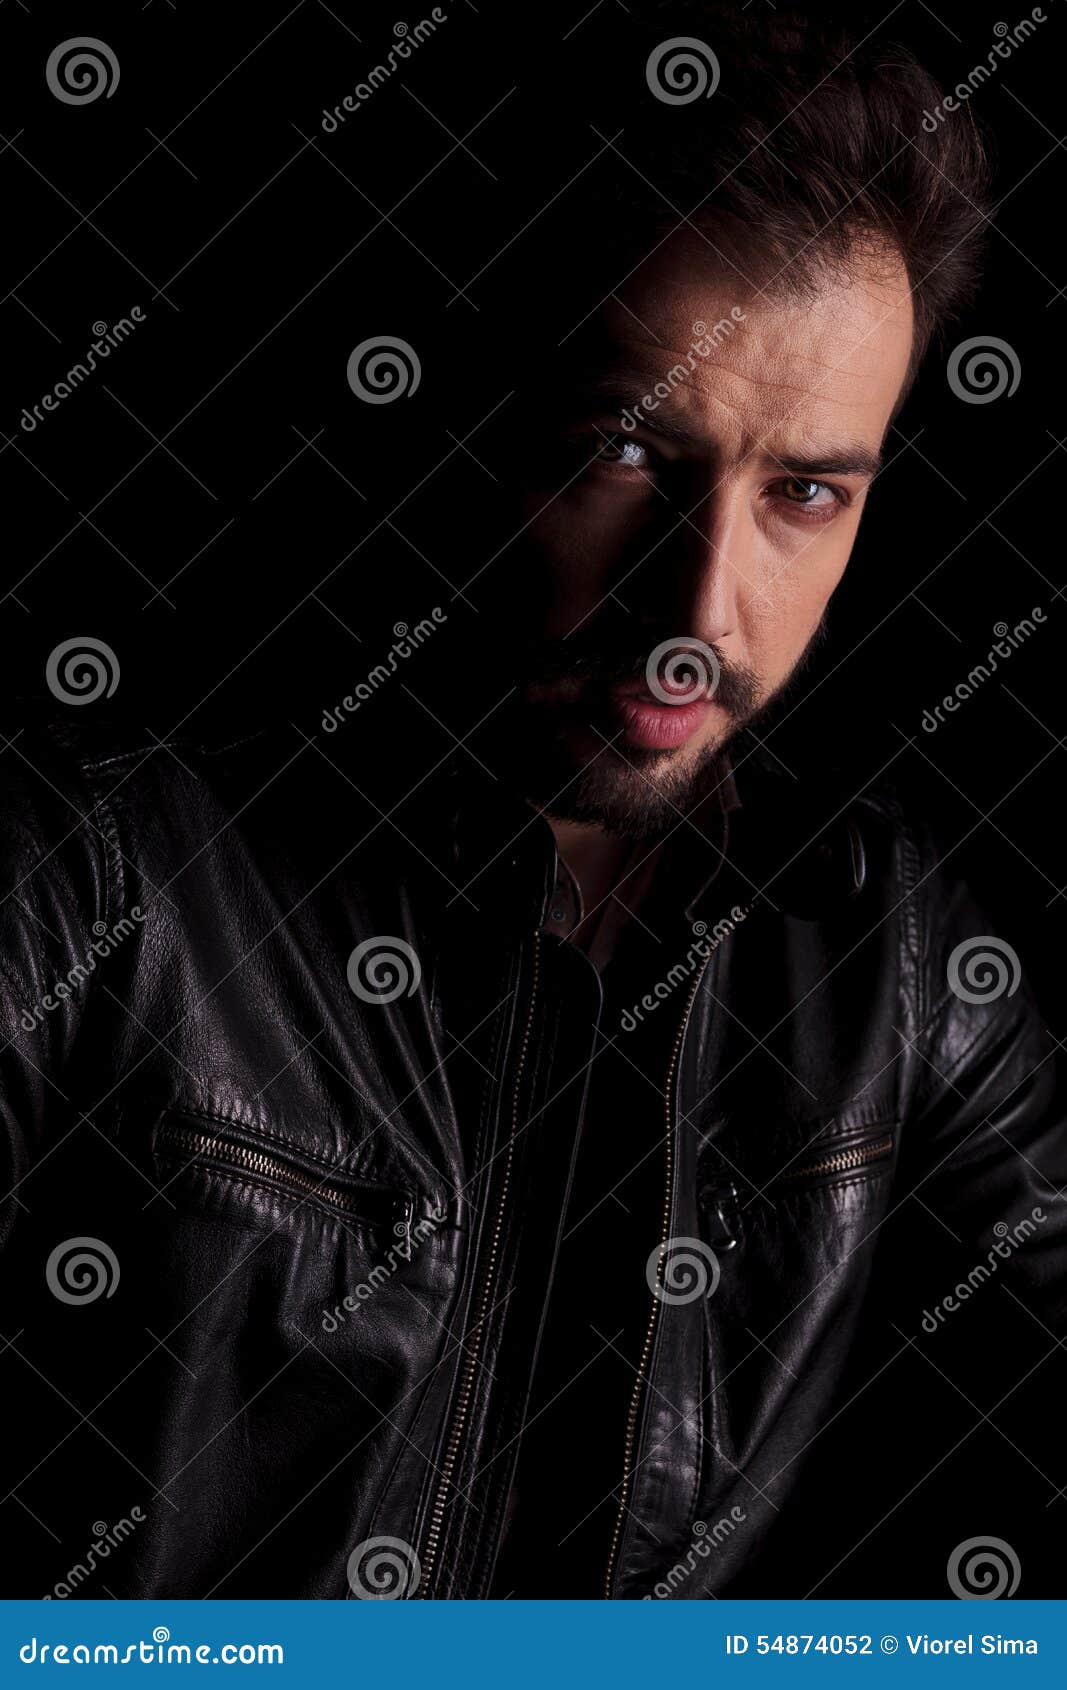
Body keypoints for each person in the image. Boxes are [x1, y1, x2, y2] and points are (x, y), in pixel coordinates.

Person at [1, 5, 1063, 1599]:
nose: (699, 611)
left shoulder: (887, 951)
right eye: (623, 454)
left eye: (804, 493)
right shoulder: (95, 874)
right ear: (466, 405)